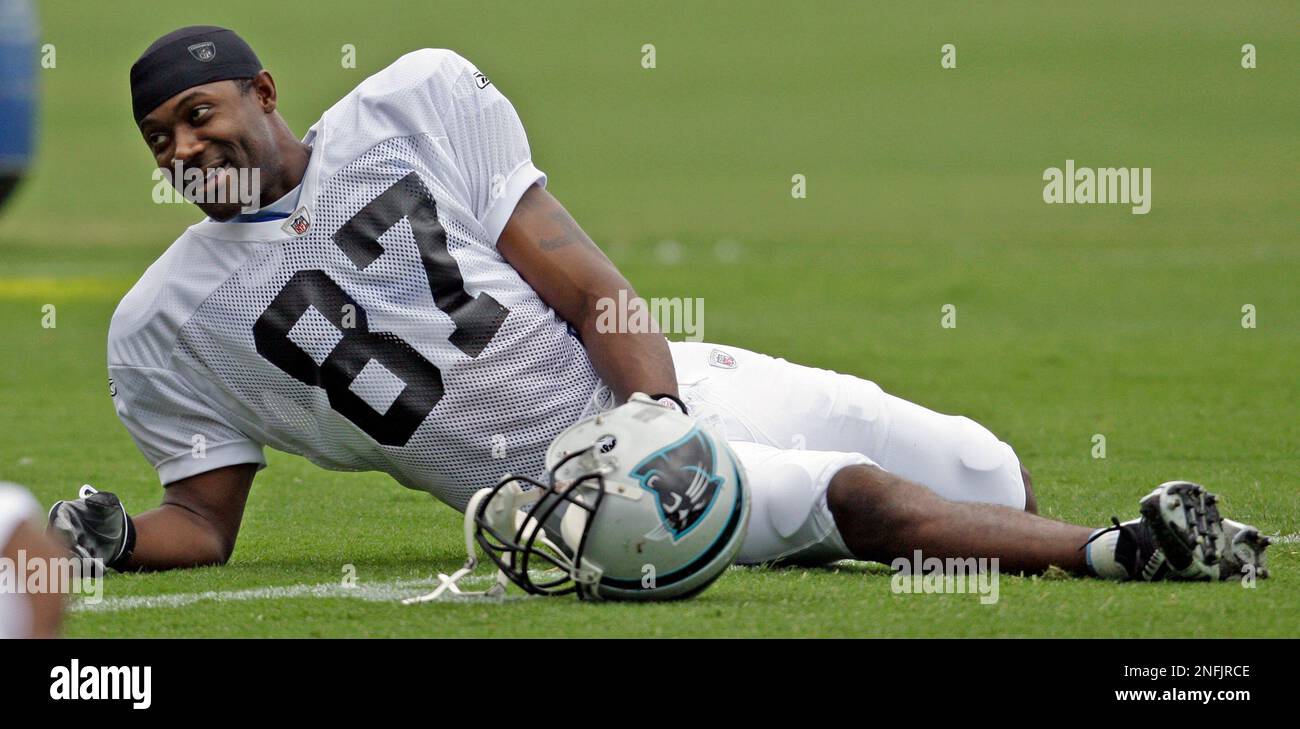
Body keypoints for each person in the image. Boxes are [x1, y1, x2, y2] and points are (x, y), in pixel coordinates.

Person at [47, 26, 1269, 588]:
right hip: (566, 499)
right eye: (161, 139)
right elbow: (202, 523)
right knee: (850, 496)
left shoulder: (412, 104)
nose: (184, 147)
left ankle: (1040, 551)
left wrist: (654, 411)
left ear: (263, 93)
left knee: (981, 467)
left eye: (200, 115)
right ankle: (1124, 556)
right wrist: (109, 541)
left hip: (656, 391)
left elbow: (589, 285)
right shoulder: (168, 317)